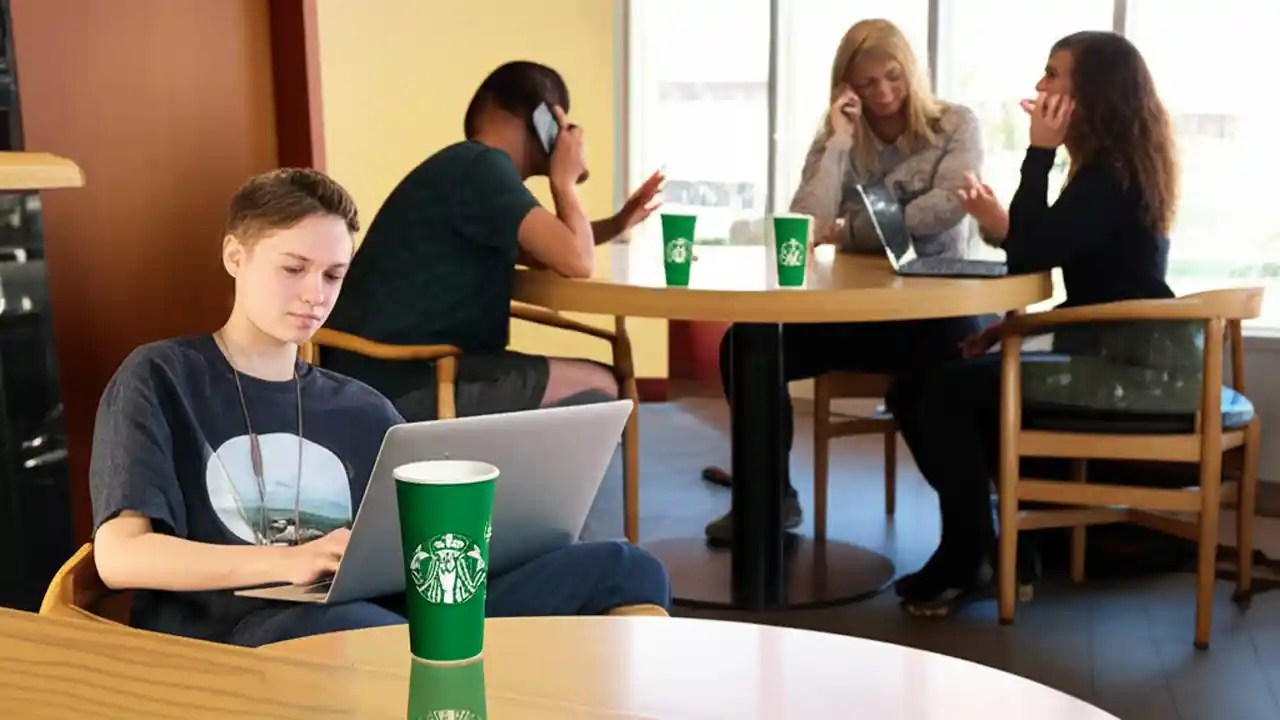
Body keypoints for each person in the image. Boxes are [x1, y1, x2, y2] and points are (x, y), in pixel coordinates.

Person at [90, 169, 671, 647]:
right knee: (360, 631)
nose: (315, 293)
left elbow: (401, 553)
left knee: (626, 568)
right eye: (293, 268)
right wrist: (287, 562)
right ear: (234, 256)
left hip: (381, 615)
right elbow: (121, 557)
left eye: (333, 274)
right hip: (240, 635)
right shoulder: (162, 377)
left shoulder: (362, 408)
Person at [889, 30, 1179, 615]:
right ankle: (997, 545)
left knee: (939, 390)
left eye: (1053, 74)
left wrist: (1039, 150)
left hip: (1123, 368)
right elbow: (1095, 285)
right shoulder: (1114, 168)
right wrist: (1011, 330)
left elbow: (1026, 252)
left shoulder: (1108, 175)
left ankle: (972, 549)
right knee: (918, 386)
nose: (1040, 86)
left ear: (1091, 93)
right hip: (1116, 350)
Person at [703, 19, 985, 542]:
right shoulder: (839, 133)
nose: (882, 94)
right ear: (846, 85)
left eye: (893, 77)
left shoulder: (955, 125)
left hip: (931, 312)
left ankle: (972, 536)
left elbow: (946, 207)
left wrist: (851, 230)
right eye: (867, 83)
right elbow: (805, 225)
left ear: (911, 70)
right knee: (744, 344)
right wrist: (837, 143)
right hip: (851, 313)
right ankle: (766, 499)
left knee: (945, 378)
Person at [322, 61, 663, 421]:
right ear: (542, 117)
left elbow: (549, 250)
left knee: (597, 385)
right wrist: (563, 181)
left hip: (373, 378)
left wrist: (618, 222)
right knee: (604, 389)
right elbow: (576, 261)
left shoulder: (467, 168)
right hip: (405, 385)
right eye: (561, 122)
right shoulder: (483, 168)